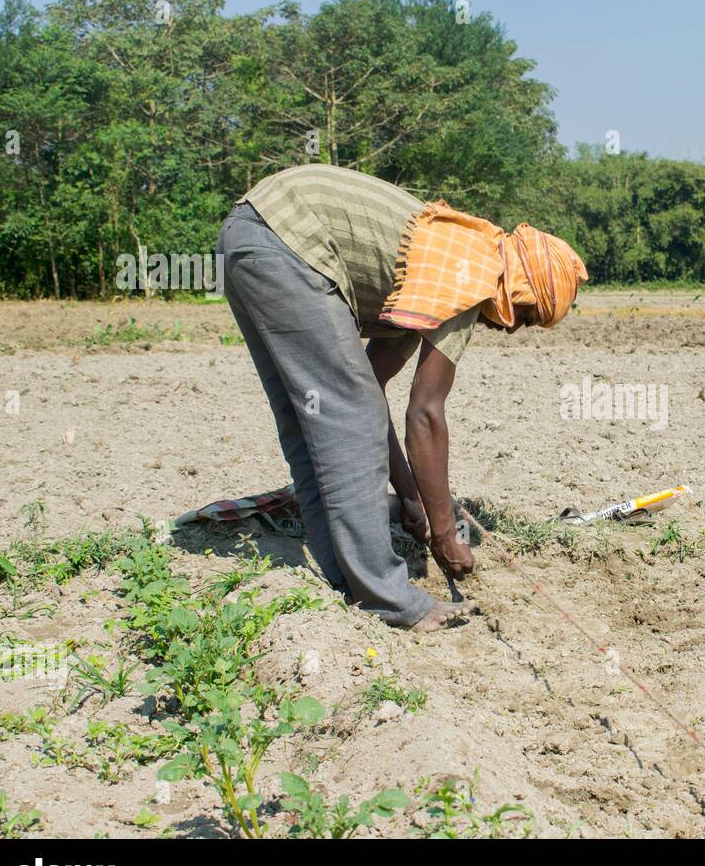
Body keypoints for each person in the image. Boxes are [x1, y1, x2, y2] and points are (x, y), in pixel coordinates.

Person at [215, 165, 587, 630]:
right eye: (528, 315)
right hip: (290, 242)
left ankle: (344, 580)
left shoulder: (430, 276)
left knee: (313, 419)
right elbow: (425, 416)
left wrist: (411, 497)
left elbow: (370, 391)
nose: (511, 328)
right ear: (521, 284)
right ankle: (391, 600)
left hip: (250, 236)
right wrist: (446, 535)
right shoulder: (472, 275)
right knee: (343, 418)